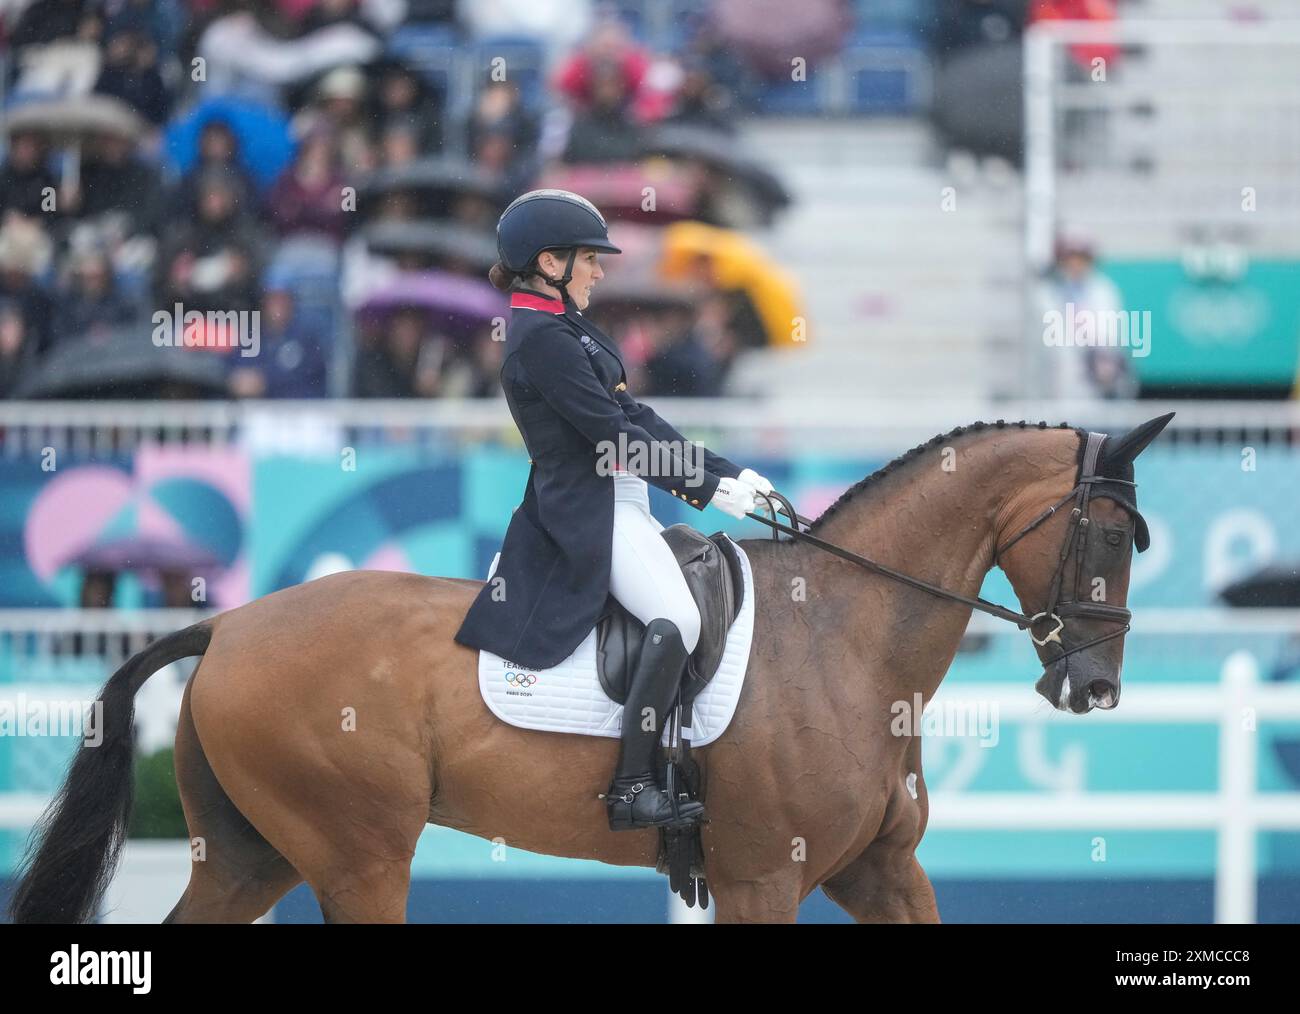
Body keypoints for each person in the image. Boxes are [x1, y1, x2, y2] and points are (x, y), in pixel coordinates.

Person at [454, 190, 773, 831]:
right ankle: (631, 787)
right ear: (550, 262)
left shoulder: (567, 326)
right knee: (677, 616)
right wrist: (707, 492)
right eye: (590, 259)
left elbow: (638, 418)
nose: (600, 271)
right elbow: (614, 438)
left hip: (623, 499)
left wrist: (730, 475)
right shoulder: (541, 337)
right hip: (589, 512)